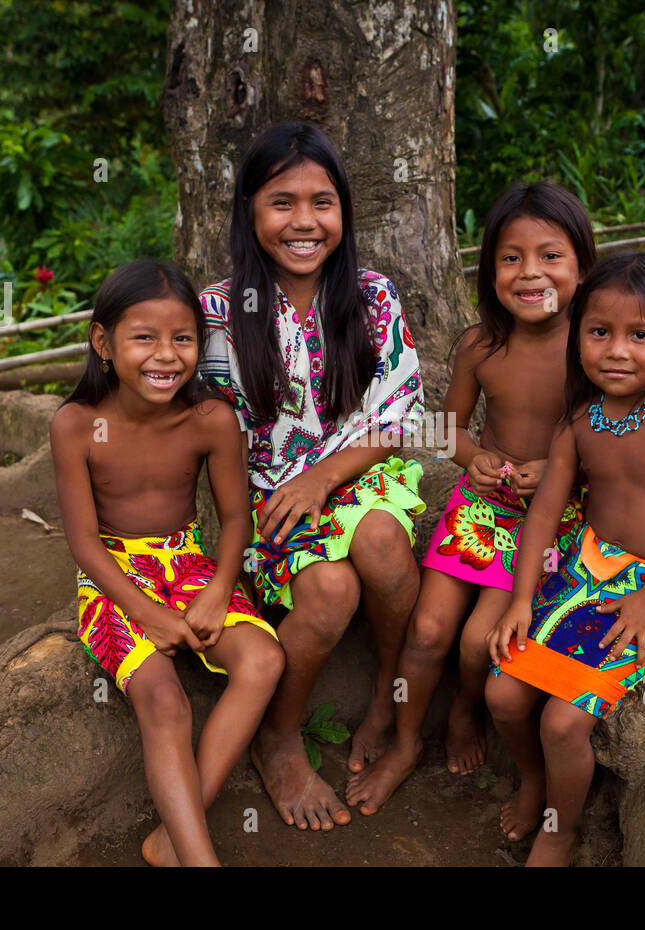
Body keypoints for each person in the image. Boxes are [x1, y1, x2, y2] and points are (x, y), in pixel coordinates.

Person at [198, 122, 427, 832]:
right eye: (282, 202)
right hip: (267, 497)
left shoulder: (373, 297)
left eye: (322, 202)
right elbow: (215, 441)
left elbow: (400, 417)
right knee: (328, 591)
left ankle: (390, 696)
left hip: (363, 471)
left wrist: (325, 475)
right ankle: (277, 733)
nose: (304, 222)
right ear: (249, 213)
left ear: (344, 213)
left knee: (384, 542)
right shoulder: (216, 314)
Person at [346, 182, 596, 815]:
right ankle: (406, 741)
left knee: (476, 640)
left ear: (583, 267)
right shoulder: (479, 346)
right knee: (427, 631)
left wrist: (563, 471)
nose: (530, 272)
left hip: (553, 518)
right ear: (489, 271)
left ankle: (463, 710)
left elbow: (613, 446)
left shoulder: (593, 350)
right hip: (479, 509)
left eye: (550, 256)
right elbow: (446, 428)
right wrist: (472, 458)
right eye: (511, 257)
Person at [485, 250, 645, 866]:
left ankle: (560, 828)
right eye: (600, 332)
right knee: (503, 696)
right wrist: (519, 599)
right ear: (579, 340)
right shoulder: (580, 420)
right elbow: (544, 513)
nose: (617, 350)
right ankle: (537, 782)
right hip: (579, 571)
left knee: (564, 723)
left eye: (640, 335)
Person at [50, 260, 284, 867]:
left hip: (189, 566)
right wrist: (144, 611)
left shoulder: (209, 419)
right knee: (164, 703)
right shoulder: (77, 426)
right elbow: (84, 545)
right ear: (103, 342)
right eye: (144, 338)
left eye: (182, 338)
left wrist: (217, 591)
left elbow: (236, 520)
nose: (166, 355)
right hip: (114, 578)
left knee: (263, 659)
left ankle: (171, 837)